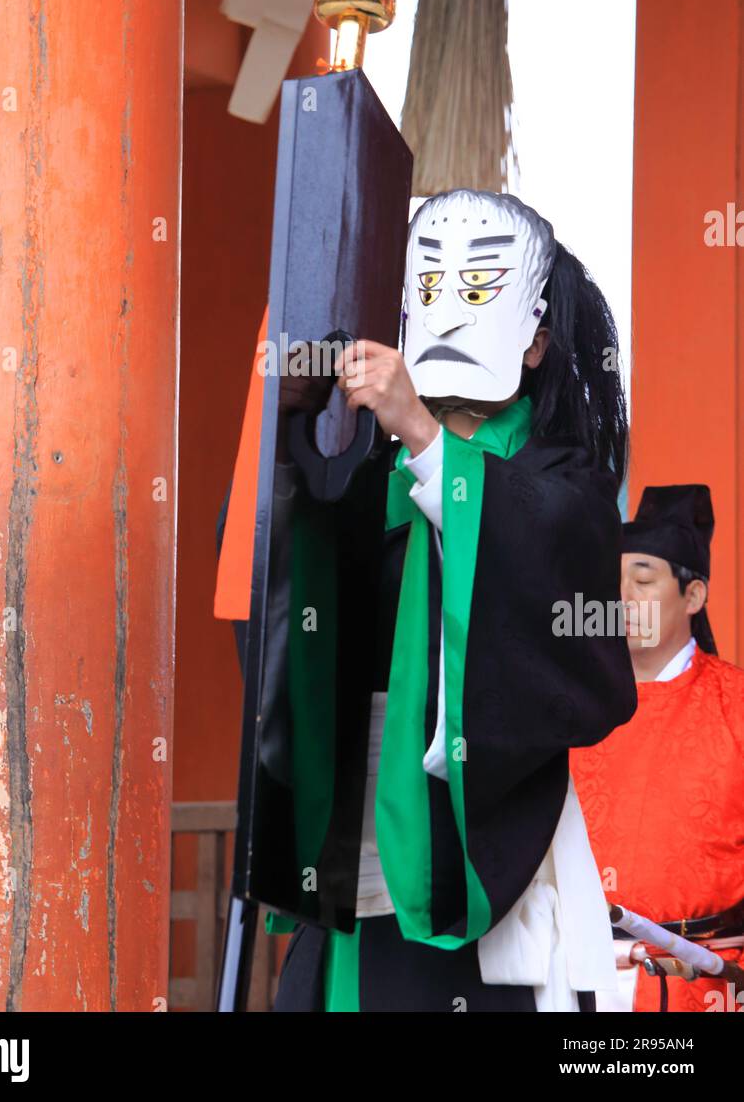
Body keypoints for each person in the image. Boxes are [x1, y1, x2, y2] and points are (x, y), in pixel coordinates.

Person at [271, 188, 637, 1012]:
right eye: (428, 290)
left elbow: (566, 629)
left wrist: (427, 440)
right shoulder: (370, 470)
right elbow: (287, 614)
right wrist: (287, 448)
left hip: (482, 857)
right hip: (349, 859)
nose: (446, 313)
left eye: (476, 291)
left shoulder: (562, 484)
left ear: (538, 338)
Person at [571, 484, 744, 1012]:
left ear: (693, 596)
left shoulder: (735, 703)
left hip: (703, 981)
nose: (621, 597)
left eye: (642, 580)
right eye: (614, 581)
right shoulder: (569, 704)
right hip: (574, 974)